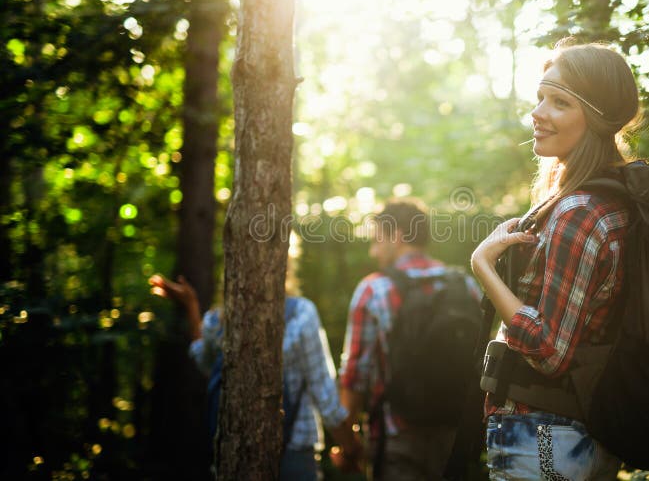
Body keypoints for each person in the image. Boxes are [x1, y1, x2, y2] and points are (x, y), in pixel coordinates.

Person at [470, 40, 640, 480]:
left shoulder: (580, 211)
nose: (539, 112)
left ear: (597, 118)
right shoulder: (614, 200)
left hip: (543, 439)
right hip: (574, 436)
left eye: (560, 102)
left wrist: (483, 267)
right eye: (541, 96)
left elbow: (549, 351)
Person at [149, 271, 362, 480]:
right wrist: (352, 449)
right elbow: (323, 394)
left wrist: (191, 306)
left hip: (234, 454)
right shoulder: (301, 315)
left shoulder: (220, 319)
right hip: (293, 454)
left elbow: (203, 360)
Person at [338, 198, 481, 480]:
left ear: (397, 235)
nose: (373, 251)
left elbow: (355, 376)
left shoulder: (373, 289)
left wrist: (348, 444)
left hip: (396, 436)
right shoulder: (464, 284)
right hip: (453, 436)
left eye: (378, 240)